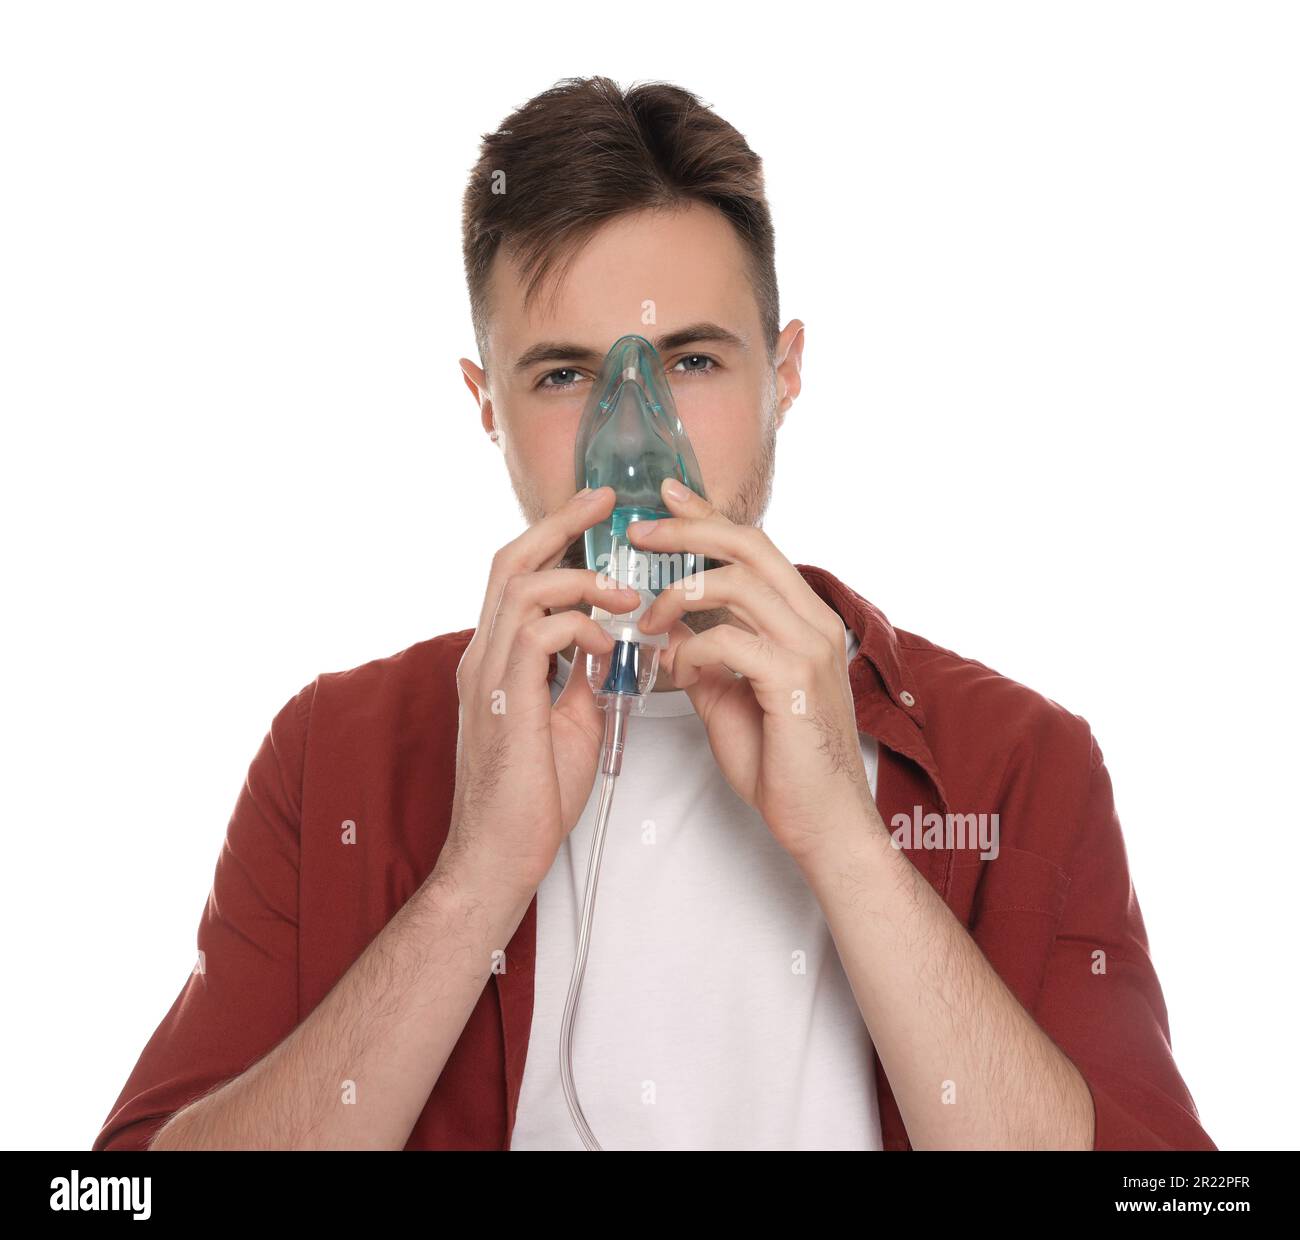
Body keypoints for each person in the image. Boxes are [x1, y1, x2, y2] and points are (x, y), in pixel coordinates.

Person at [93, 76, 1214, 1151]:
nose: (632, 442)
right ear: (485, 405)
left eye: (689, 359)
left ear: (783, 377)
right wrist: (478, 869)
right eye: (563, 375)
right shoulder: (330, 755)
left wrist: (845, 839)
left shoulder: (1015, 762)